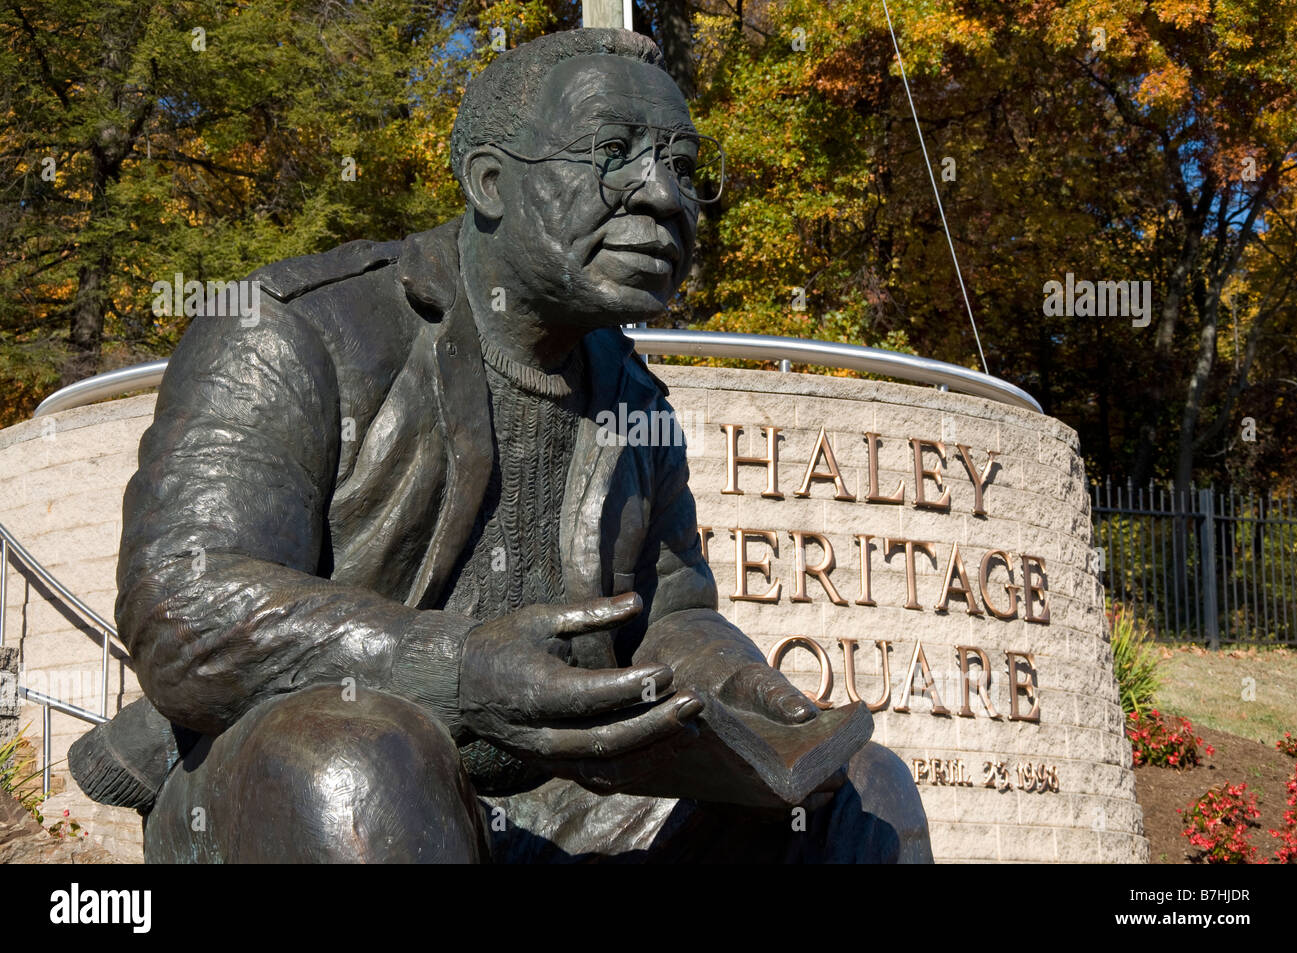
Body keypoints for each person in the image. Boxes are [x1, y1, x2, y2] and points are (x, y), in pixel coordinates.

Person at [71, 27, 932, 863]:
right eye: (612, 153)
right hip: (295, 779)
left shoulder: (636, 399)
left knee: (860, 792)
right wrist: (456, 669)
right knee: (364, 766)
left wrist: (738, 687)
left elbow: (671, 618)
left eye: (683, 167)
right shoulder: (292, 327)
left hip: (566, 798)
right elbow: (182, 603)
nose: (665, 197)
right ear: (490, 181)